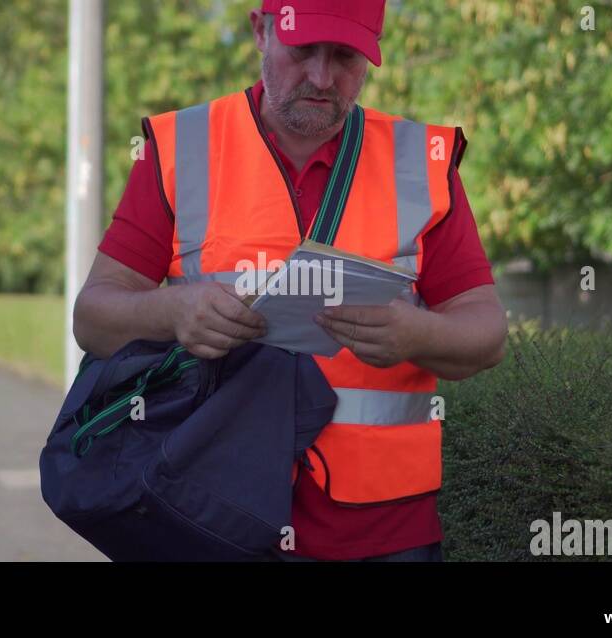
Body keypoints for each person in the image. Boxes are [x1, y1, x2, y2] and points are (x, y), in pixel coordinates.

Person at [73, 0, 508, 562]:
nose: (322, 78)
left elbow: (488, 333)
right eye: (304, 51)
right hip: (211, 519)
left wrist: (416, 335)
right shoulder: (180, 147)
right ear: (261, 31)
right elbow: (92, 317)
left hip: (383, 534)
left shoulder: (421, 164)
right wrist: (174, 313)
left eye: (346, 57)